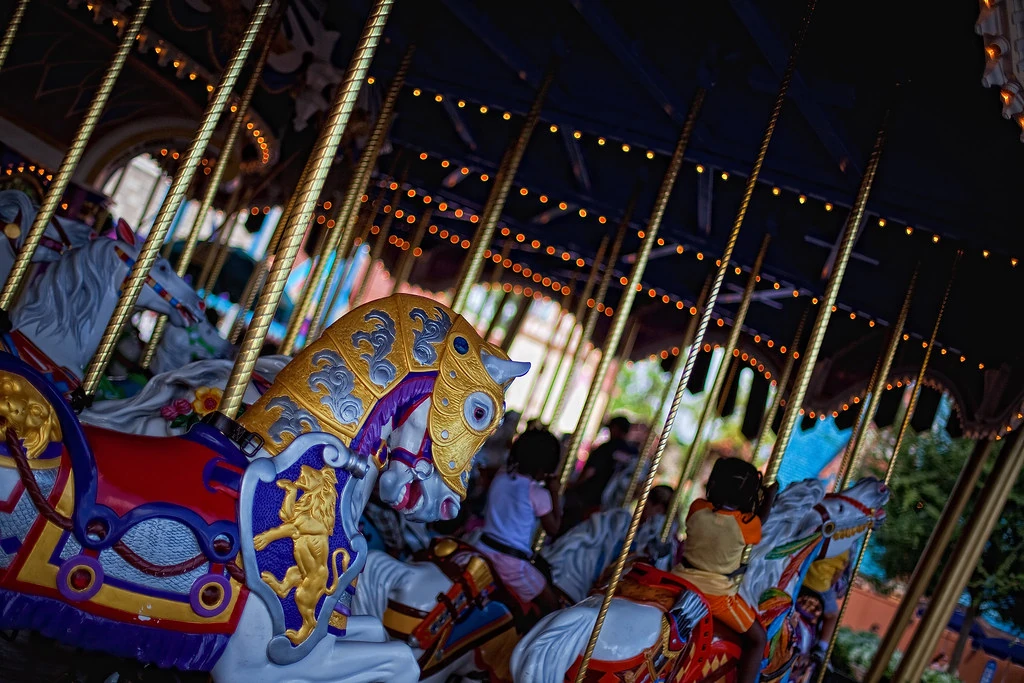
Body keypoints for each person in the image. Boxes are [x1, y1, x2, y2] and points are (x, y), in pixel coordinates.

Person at [672, 457, 779, 683]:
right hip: (715, 595)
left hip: (678, 580)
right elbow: (760, 520)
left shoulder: (697, 508)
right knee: (758, 639)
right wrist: (769, 498)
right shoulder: (746, 524)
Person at [478, 427, 563, 613]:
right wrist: (554, 493)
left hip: (482, 549)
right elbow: (553, 529)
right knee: (552, 606)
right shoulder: (536, 493)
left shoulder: (500, 476)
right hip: (511, 564)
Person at [562, 416, 635, 531]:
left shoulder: (607, 447)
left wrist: (575, 484)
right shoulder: (633, 454)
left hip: (590, 498)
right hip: (613, 504)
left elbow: (590, 471)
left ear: (615, 429)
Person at [804, 549, 852, 665]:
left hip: (802, 580)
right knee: (833, 616)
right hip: (820, 587)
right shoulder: (844, 551)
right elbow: (836, 576)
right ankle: (822, 647)